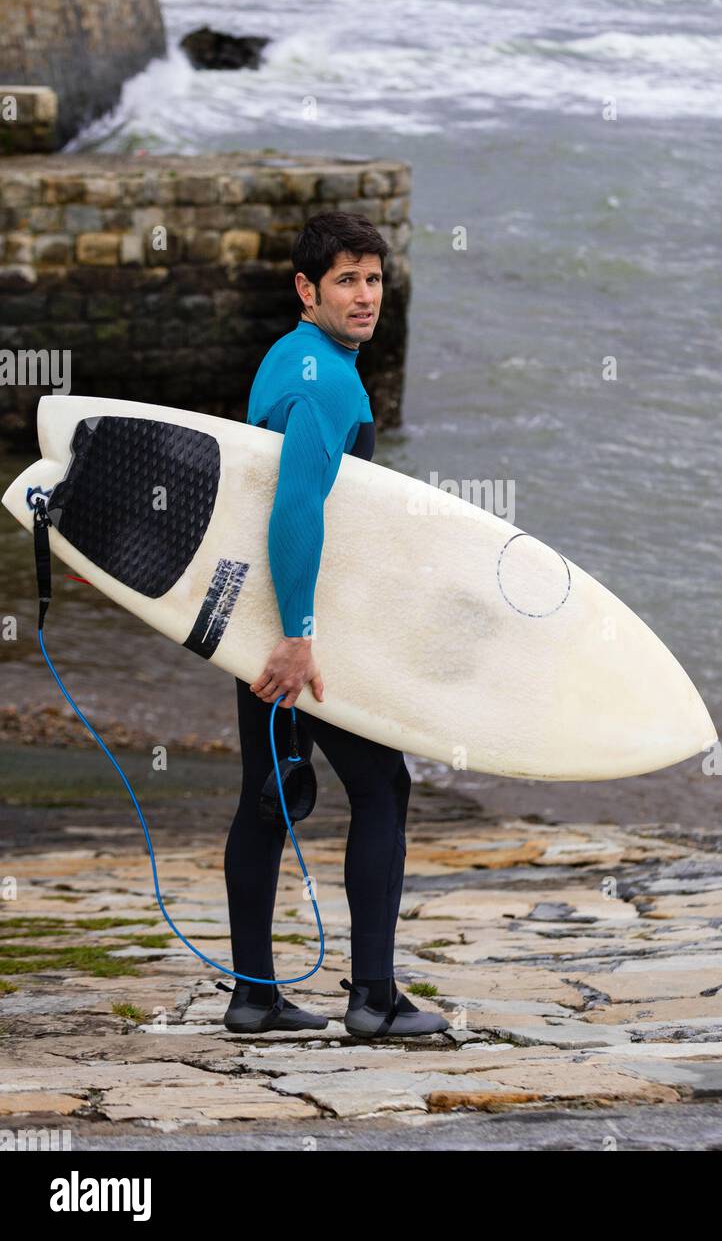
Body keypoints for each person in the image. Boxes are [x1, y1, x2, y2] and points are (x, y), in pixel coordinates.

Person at [221, 210, 449, 1040]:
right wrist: (301, 634)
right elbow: (296, 508)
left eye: (375, 279)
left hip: (258, 620)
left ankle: (253, 996)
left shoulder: (288, 360)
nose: (365, 296)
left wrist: (276, 629)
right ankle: (375, 999)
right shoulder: (328, 381)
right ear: (305, 289)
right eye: (346, 280)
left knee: (268, 801)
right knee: (382, 787)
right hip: (296, 628)